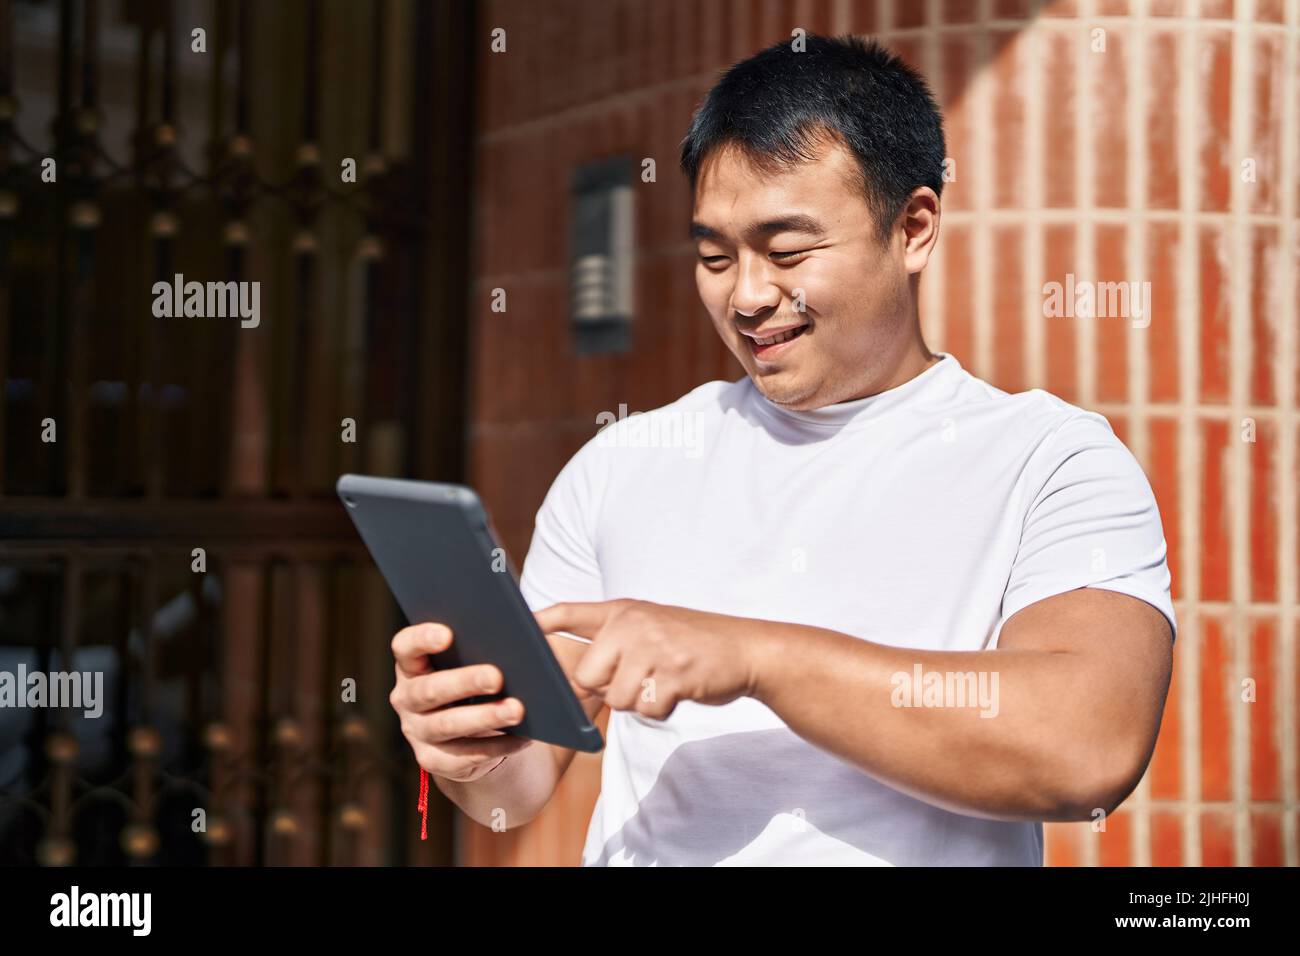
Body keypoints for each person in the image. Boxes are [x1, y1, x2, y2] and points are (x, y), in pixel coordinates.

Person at [389, 34, 1176, 866]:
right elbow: (517, 791)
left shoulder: (1050, 461)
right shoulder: (623, 463)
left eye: (788, 252)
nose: (749, 296)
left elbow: (1088, 749)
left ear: (913, 227)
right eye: (715, 257)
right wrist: (468, 748)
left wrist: (755, 657)